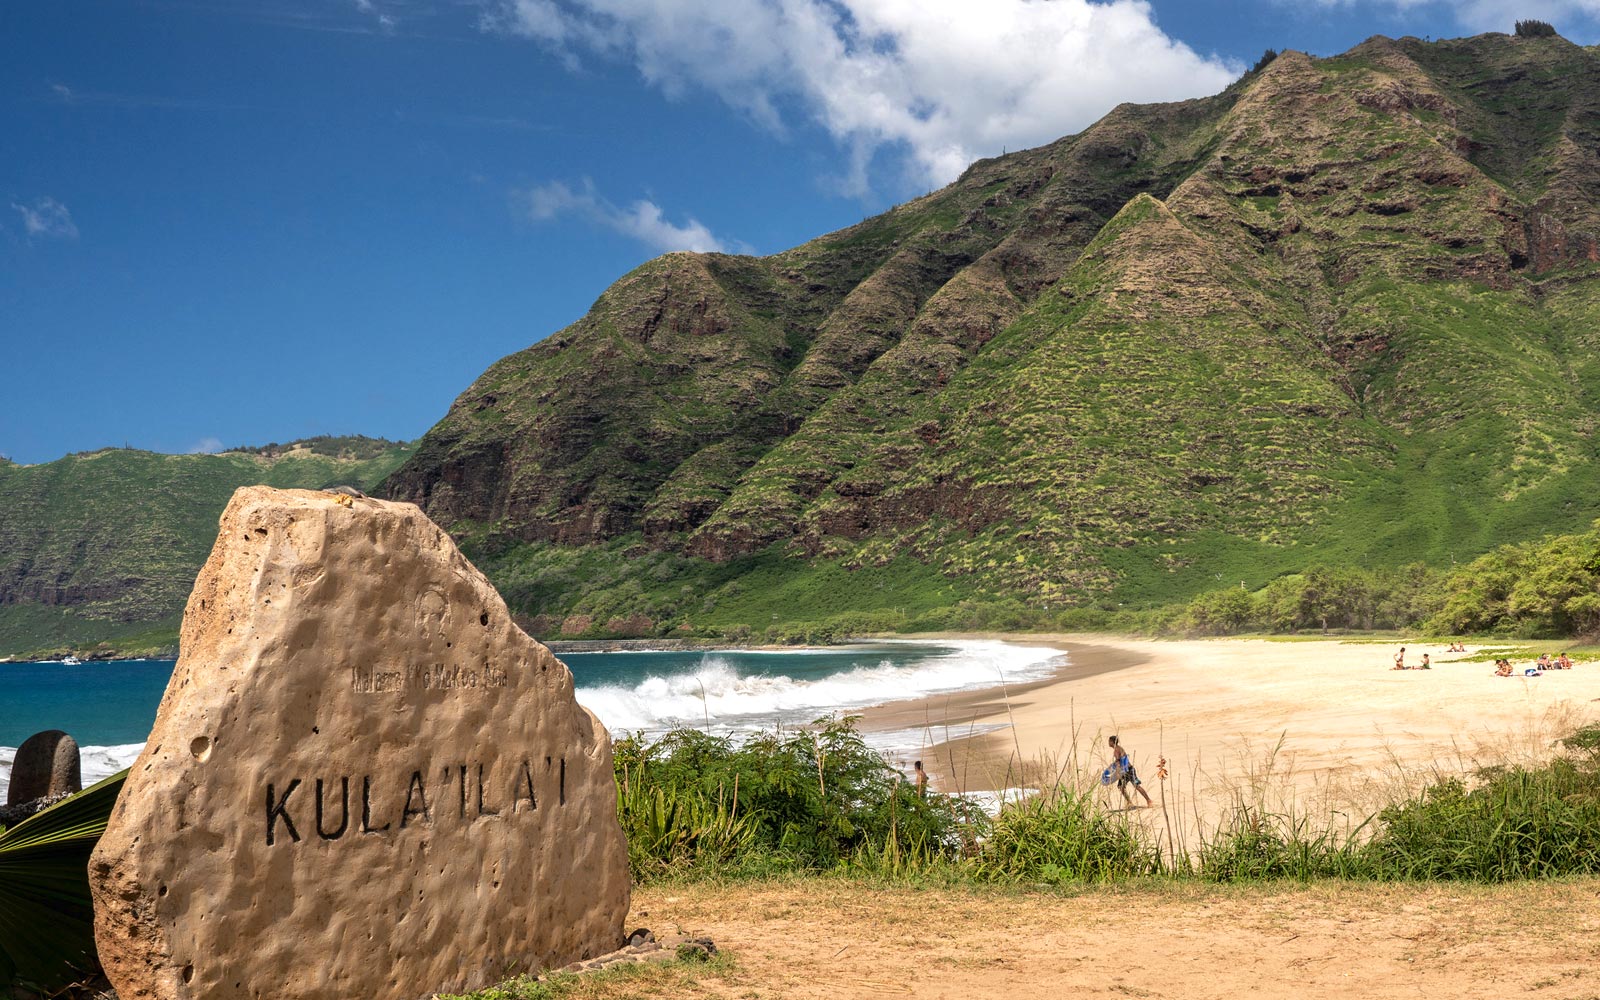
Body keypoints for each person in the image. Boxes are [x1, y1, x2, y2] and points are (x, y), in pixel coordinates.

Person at [1107, 735, 1152, 808]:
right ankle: (1129, 802)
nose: (1108, 743)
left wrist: (1117, 773)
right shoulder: (1119, 748)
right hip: (1128, 770)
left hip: (1128, 770)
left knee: (1136, 785)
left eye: (1109, 741)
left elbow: (1119, 761)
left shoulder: (1116, 750)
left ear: (1112, 742)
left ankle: (1148, 800)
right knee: (1121, 787)